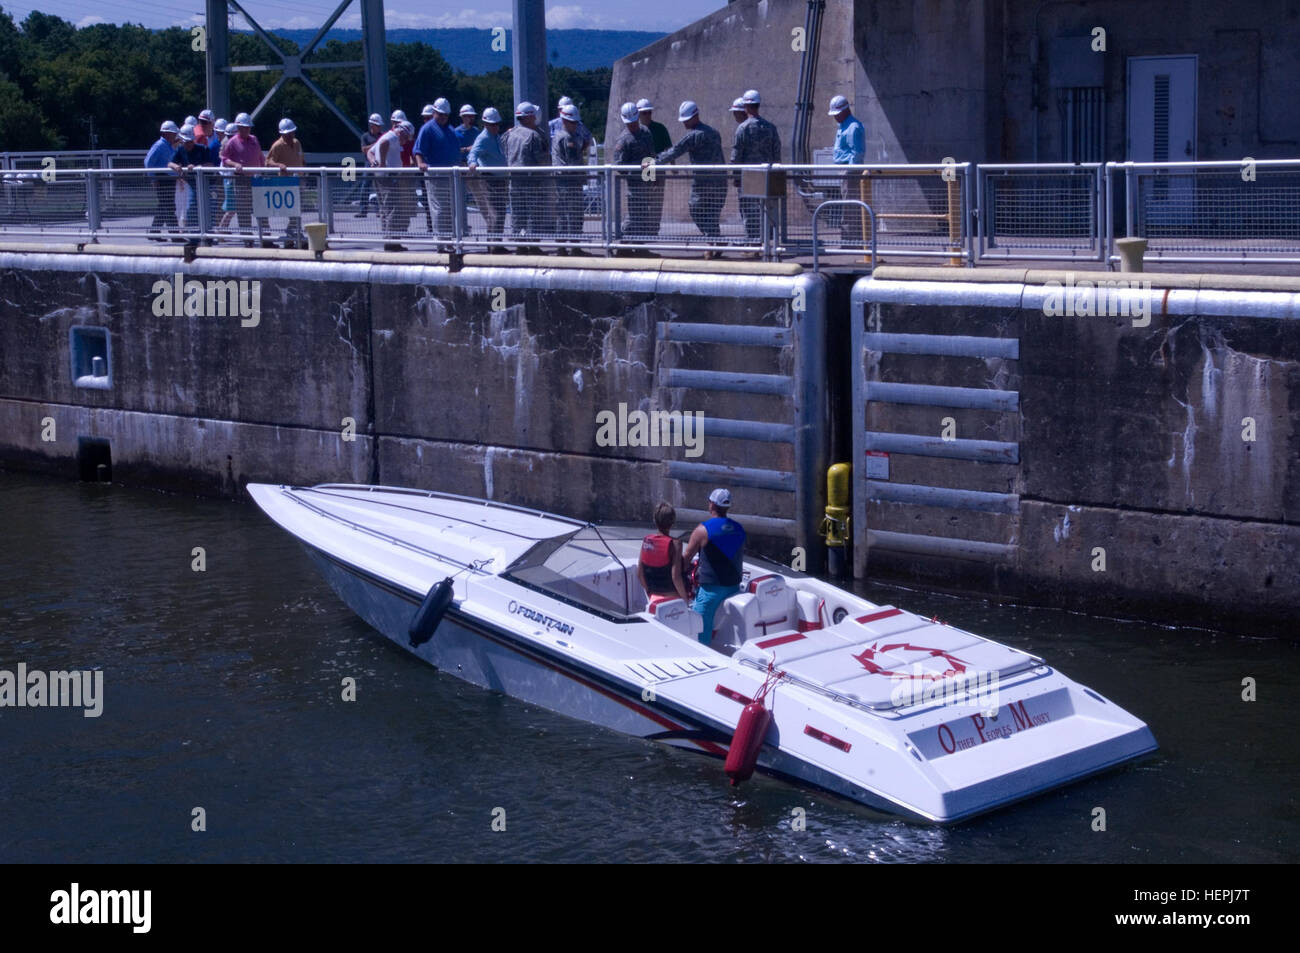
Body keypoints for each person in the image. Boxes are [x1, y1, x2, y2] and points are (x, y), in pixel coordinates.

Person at [656, 100, 726, 256]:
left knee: (696, 210)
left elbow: (673, 152)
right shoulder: (714, 132)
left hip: (703, 183)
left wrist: (651, 163)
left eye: (686, 120)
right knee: (712, 213)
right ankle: (713, 244)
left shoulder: (693, 136)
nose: (684, 123)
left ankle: (715, 240)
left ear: (695, 116)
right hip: (720, 181)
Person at [682, 488, 746, 646]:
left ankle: (702, 651)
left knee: (699, 627)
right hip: (734, 587)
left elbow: (686, 558)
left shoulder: (702, 530)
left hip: (711, 590)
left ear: (711, 504)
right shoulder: (739, 528)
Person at [731, 89, 781, 247]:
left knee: (748, 212)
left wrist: (735, 176)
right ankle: (766, 243)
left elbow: (736, 156)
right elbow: (776, 152)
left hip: (749, 178)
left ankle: (753, 245)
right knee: (766, 211)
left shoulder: (743, 129)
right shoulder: (770, 127)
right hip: (767, 176)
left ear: (746, 106)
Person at [220, 112, 274, 247]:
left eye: (249, 127)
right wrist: (235, 164)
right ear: (238, 127)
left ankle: (266, 239)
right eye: (244, 127)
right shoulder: (232, 142)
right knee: (244, 212)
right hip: (241, 180)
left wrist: (264, 169)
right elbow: (224, 158)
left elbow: (260, 156)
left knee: (262, 210)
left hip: (256, 179)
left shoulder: (254, 139)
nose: (247, 129)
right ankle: (247, 240)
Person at [502, 102, 548, 255]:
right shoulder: (533, 135)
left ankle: (519, 244)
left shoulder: (509, 134)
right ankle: (533, 244)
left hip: (513, 180)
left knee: (517, 213)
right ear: (528, 117)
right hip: (532, 181)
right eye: (533, 115)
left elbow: (504, 151)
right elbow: (541, 159)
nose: (535, 118)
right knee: (534, 213)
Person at [413, 98, 461, 242]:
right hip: (436, 175)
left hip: (451, 175)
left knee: (451, 208)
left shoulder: (450, 129)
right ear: (434, 112)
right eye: (440, 114)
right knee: (439, 209)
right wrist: (420, 163)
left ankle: (450, 239)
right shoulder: (427, 128)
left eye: (445, 114)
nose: (443, 117)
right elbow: (418, 150)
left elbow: (455, 150)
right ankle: (441, 241)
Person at [612, 101, 655, 251]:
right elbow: (618, 164)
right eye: (630, 123)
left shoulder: (646, 132)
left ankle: (640, 245)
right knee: (634, 216)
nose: (633, 125)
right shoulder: (623, 139)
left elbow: (651, 155)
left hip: (646, 182)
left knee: (644, 215)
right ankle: (623, 243)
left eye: (635, 121)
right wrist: (635, 169)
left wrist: (651, 178)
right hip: (634, 184)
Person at [367, 119, 415, 250]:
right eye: (407, 138)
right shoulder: (393, 137)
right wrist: (382, 164)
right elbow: (383, 144)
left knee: (385, 208)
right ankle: (392, 242)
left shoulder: (388, 135)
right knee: (393, 208)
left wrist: (373, 162)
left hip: (381, 178)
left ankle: (389, 239)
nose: (406, 141)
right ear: (402, 132)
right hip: (389, 178)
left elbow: (370, 152)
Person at [467, 106, 509, 253]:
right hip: (489, 179)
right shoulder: (483, 137)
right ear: (485, 124)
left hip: (499, 178)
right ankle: (493, 246)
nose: (495, 126)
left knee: (500, 212)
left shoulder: (496, 136)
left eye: (497, 124)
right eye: (492, 124)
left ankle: (495, 243)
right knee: (495, 213)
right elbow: (473, 153)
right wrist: (472, 163)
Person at [638, 502, 690, 610]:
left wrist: (649, 592)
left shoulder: (646, 541)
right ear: (672, 522)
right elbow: (675, 577)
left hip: (653, 598)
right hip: (673, 598)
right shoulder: (675, 544)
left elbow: (640, 574)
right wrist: (685, 600)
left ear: (655, 520)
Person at [551, 102, 587, 254]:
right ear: (564, 121)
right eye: (572, 122)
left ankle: (562, 247)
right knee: (574, 213)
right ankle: (574, 246)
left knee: (563, 213)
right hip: (570, 180)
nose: (575, 125)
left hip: (562, 179)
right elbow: (573, 161)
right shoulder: (568, 138)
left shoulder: (559, 135)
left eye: (576, 123)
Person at [266, 117, 305, 248]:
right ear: (282, 134)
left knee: (299, 210)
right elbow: (268, 162)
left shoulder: (297, 142)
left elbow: (301, 159)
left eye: (292, 132)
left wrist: (304, 171)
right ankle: (291, 236)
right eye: (288, 133)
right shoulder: (277, 145)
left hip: (299, 181)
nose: (290, 135)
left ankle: (292, 236)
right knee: (293, 211)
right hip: (286, 183)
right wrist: (278, 165)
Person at [637, 99, 671, 240]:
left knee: (656, 203)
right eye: (644, 113)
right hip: (645, 165)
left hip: (657, 164)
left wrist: (673, 166)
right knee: (643, 202)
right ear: (639, 114)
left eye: (649, 112)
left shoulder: (659, 128)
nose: (647, 115)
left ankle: (652, 234)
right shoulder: (636, 129)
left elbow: (669, 148)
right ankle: (641, 234)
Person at [145, 120, 180, 239]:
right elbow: (148, 162)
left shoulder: (168, 146)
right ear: (166, 134)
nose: (175, 136)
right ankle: (175, 234)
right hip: (162, 179)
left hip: (167, 179)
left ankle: (154, 232)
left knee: (163, 206)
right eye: (173, 133)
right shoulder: (159, 145)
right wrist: (153, 179)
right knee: (169, 206)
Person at [356, 113, 383, 218]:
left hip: (380, 163)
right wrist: (376, 144)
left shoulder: (382, 136)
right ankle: (363, 211)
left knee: (379, 188)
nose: (379, 127)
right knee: (365, 187)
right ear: (372, 125)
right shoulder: (365, 136)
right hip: (368, 164)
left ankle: (379, 210)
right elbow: (364, 150)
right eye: (378, 125)